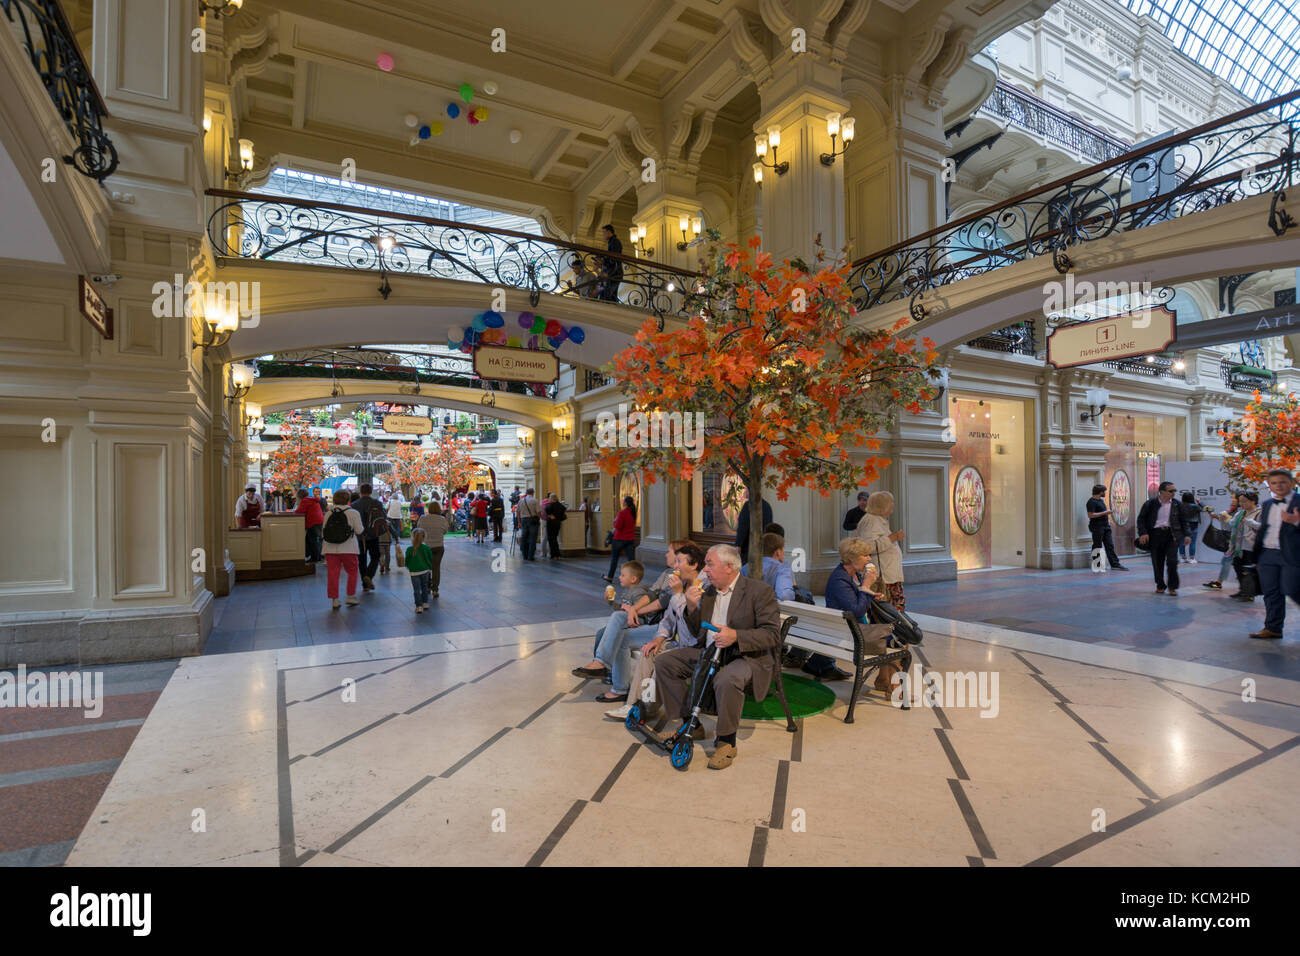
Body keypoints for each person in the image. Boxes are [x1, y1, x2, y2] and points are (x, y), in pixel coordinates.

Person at [654, 544, 782, 771]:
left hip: (746, 656)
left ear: (729, 567)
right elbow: (697, 632)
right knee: (666, 661)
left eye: (710, 564)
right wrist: (692, 607)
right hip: (710, 652)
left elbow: (772, 634)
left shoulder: (759, 591)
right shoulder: (709, 593)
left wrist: (736, 636)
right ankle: (690, 725)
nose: (706, 569)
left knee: (727, 678)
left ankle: (726, 741)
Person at [604, 545, 708, 720]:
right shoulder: (681, 583)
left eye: (679, 561)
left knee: (661, 660)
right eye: (674, 561)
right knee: (649, 650)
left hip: (697, 646)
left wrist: (677, 594)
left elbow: (694, 623)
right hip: (678, 642)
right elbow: (668, 619)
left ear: (694, 564)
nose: (675, 566)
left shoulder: (703, 587)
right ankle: (633, 705)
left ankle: (647, 707)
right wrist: (658, 640)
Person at [575, 561, 662, 703]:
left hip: (637, 623)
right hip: (626, 621)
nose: (619, 577)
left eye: (622, 575)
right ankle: (600, 667)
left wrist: (630, 610)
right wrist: (611, 602)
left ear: (633, 579)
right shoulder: (627, 591)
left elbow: (638, 613)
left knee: (614, 636)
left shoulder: (639, 592)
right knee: (601, 633)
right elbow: (621, 611)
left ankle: (604, 669)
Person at [1247, 469, 1300, 639]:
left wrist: (1296, 521)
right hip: (1267, 554)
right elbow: (1264, 529)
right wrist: (1256, 556)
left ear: (1292, 483)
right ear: (1269, 485)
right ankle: (1273, 628)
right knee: (1271, 592)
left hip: (1292, 554)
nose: (1279, 486)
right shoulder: (1268, 503)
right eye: (1274, 483)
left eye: (1283, 482)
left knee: (1293, 590)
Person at [1135, 480, 1190, 596]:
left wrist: (1187, 534)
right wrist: (1143, 533)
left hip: (1172, 535)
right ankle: (1160, 585)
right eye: (1171, 491)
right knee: (1157, 562)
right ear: (1161, 492)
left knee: (1172, 561)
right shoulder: (1150, 504)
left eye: (1174, 491)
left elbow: (1184, 521)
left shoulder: (1177, 504)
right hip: (1155, 535)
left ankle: (1172, 586)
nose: (1173, 493)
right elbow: (1141, 520)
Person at [855, 491, 907, 608]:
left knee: (895, 609)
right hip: (883, 577)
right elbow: (868, 547)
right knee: (889, 609)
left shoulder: (878, 519)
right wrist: (892, 538)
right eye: (890, 502)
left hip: (889, 575)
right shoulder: (871, 521)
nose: (893, 504)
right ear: (882, 506)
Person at [824, 537, 884, 635]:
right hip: (848, 632)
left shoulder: (855, 574)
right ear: (852, 558)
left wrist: (871, 595)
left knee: (899, 632)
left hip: (857, 627)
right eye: (865, 555)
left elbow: (856, 598)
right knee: (898, 637)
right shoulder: (839, 580)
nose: (869, 559)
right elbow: (857, 612)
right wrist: (866, 586)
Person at [321, 489, 364, 610]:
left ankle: (334, 600)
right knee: (352, 571)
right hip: (349, 548)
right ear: (348, 499)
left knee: (333, 574)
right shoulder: (353, 513)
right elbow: (359, 530)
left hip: (330, 548)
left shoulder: (329, 513)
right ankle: (350, 596)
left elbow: (323, 531)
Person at [1202, 493, 1240, 591]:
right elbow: (1226, 521)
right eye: (1232, 497)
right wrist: (1216, 516)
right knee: (1229, 561)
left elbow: (1236, 524)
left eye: (1234, 497)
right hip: (1229, 539)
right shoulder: (1233, 509)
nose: (1232, 499)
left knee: (1227, 561)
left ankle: (1219, 583)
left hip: (1235, 540)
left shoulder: (1241, 511)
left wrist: (1226, 517)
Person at [352, 483, 385, 591]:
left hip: (360, 536)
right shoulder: (377, 503)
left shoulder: (354, 504)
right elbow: (383, 517)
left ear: (360, 491)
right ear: (371, 491)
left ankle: (365, 584)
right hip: (373, 534)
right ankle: (369, 576)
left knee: (362, 559)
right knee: (375, 557)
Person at [1085, 484, 1126, 571]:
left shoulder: (1101, 501)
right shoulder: (1091, 502)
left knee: (1109, 545)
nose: (1105, 493)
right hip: (1097, 527)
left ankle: (1115, 564)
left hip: (1105, 526)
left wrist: (1107, 521)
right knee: (1097, 545)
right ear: (1100, 492)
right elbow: (1090, 515)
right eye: (1104, 491)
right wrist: (1105, 513)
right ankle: (1098, 565)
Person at [1229, 491, 1261, 601]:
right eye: (1240, 501)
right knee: (1238, 567)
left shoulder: (1260, 512)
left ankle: (1250, 593)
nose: (1242, 504)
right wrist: (1224, 519)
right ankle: (1243, 590)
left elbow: (1264, 527)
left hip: (1251, 547)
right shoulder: (1240, 513)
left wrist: (1249, 522)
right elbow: (1231, 525)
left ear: (1253, 501)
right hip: (1239, 547)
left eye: (1244, 501)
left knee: (1249, 571)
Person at [415, 501, 450, 599]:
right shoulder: (442, 519)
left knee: (426, 568)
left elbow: (418, 529)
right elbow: (445, 531)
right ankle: (435, 589)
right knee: (436, 568)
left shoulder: (422, 518)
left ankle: (427, 587)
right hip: (439, 547)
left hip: (426, 547)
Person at [733, 492, 773, 566]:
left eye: (747, 489)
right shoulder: (767, 506)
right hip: (763, 547)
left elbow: (743, 527)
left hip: (748, 548)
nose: (744, 492)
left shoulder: (748, 506)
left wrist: (738, 544)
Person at [603, 496, 637, 581]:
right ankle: (634, 577)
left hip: (619, 539)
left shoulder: (622, 513)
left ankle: (610, 576)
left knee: (614, 559)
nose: (622, 502)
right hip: (630, 539)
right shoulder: (633, 513)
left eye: (623, 501)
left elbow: (618, 526)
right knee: (631, 560)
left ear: (625, 503)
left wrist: (615, 521)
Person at [405, 528, 436, 613]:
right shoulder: (426, 548)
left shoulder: (410, 549)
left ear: (413, 537)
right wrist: (429, 567)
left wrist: (408, 566)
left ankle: (418, 606)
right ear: (424, 537)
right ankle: (425, 603)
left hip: (414, 572)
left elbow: (407, 560)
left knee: (416, 589)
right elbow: (430, 558)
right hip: (425, 570)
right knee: (425, 587)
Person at [295, 488, 324, 563]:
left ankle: (314, 558)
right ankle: (317, 556)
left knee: (312, 540)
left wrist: (294, 511)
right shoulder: (311, 499)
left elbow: (299, 511)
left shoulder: (305, 501)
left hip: (313, 522)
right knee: (313, 540)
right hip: (318, 521)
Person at [597, 223, 623, 302]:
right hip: (614, 273)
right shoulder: (612, 242)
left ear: (609, 232)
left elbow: (613, 259)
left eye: (604, 232)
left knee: (608, 296)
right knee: (609, 295)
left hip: (614, 273)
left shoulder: (615, 242)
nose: (603, 234)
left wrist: (604, 261)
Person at [1178, 491, 1204, 564]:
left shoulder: (1180, 505)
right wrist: (1199, 502)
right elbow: (1203, 509)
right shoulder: (1195, 506)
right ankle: (1192, 559)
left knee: (1182, 542)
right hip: (1193, 526)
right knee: (1192, 543)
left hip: (1183, 526)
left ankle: (1183, 558)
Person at [517, 488, 542, 560]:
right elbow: (538, 512)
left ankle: (524, 555)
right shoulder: (534, 500)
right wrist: (541, 518)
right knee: (532, 538)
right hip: (533, 520)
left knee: (524, 537)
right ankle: (531, 556)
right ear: (533, 493)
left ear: (526, 493)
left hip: (523, 520)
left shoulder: (521, 500)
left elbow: (518, 512)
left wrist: (519, 522)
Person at [544, 493, 567, 560]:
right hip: (558, 523)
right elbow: (563, 511)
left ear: (550, 498)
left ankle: (554, 554)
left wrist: (551, 515)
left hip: (551, 523)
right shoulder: (560, 505)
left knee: (551, 539)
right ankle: (557, 554)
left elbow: (546, 511)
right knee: (555, 538)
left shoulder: (549, 505)